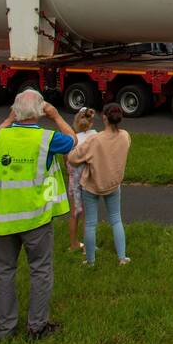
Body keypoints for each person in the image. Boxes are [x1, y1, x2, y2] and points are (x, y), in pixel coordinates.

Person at [0, 89, 75, 340]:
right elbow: (73, 140)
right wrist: (55, 116)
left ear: (15, 111)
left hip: (2, 219)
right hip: (35, 218)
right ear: (41, 111)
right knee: (40, 270)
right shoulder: (47, 139)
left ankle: (5, 329)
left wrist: (8, 120)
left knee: (4, 273)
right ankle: (37, 327)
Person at [67, 103, 131, 267]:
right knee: (116, 220)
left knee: (90, 223)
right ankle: (122, 257)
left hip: (92, 185)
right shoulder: (125, 136)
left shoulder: (94, 140)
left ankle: (90, 261)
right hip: (113, 184)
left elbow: (73, 159)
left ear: (104, 118)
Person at [66, 107, 97, 253]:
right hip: (88, 180)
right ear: (90, 123)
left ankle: (73, 244)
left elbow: (66, 160)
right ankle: (88, 247)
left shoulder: (70, 139)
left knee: (75, 213)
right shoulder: (94, 137)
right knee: (87, 214)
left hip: (73, 180)